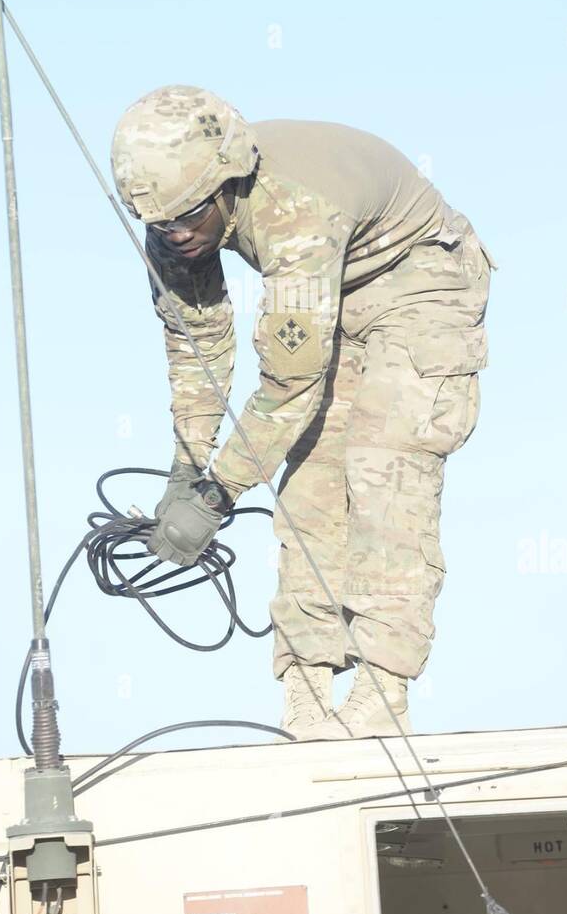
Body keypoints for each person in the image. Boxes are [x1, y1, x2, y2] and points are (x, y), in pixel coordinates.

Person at [111, 85, 495, 740]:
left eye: (190, 216)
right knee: (310, 486)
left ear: (228, 185)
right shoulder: (175, 226)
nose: (176, 234)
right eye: (161, 222)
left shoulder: (295, 215)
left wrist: (216, 496)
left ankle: (381, 690)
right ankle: (307, 688)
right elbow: (197, 342)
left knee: (383, 470)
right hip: (330, 297)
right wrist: (186, 467)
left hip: (421, 285)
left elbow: (289, 386)